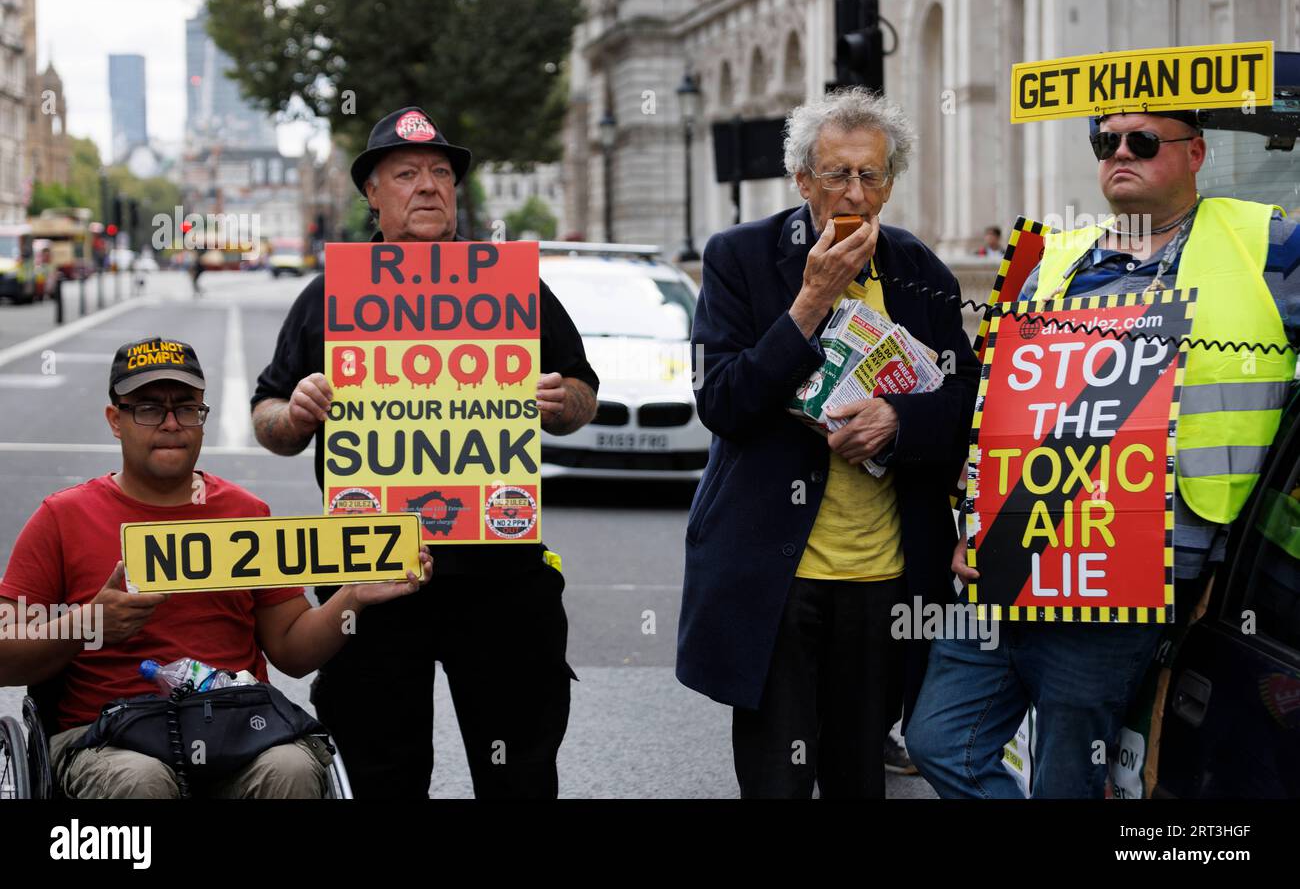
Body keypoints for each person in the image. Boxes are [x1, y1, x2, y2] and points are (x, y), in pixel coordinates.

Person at [907, 108, 1300, 798]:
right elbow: (996, 410)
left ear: (1196, 153)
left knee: (1067, 776)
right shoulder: (1050, 255)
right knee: (938, 738)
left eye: (1142, 141)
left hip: (1129, 568)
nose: (1121, 152)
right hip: (1013, 550)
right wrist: (974, 525)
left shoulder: (1264, 244)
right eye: (1105, 141)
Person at [250, 106, 599, 799]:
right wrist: (293, 413)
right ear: (371, 195)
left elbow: (584, 391)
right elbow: (266, 415)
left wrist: (562, 401)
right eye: (406, 174)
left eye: (441, 173)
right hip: (373, 576)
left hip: (501, 577)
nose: (429, 186)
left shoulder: (511, 285)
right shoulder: (330, 296)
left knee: (519, 770)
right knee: (382, 771)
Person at [676, 88, 979, 798]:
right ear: (802, 178)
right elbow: (721, 400)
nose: (853, 191)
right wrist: (810, 302)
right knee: (779, 780)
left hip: (883, 579)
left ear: (890, 183)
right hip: (776, 580)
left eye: (870, 175)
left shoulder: (919, 270)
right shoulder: (739, 259)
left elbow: (967, 399)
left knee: (858, 778)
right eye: (836, 173)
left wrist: (900, 422)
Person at [0, 336, 430, 798]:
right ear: (115, 420)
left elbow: (291, 651)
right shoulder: (63, 517)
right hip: (107, 737)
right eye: (148, 408)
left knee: (292, 768)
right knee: (140, 781)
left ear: (203, 417)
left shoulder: (244, 513)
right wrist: (88, 624)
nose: (170, 424)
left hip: (237, 727)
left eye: (186, 408)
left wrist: (353, 597)